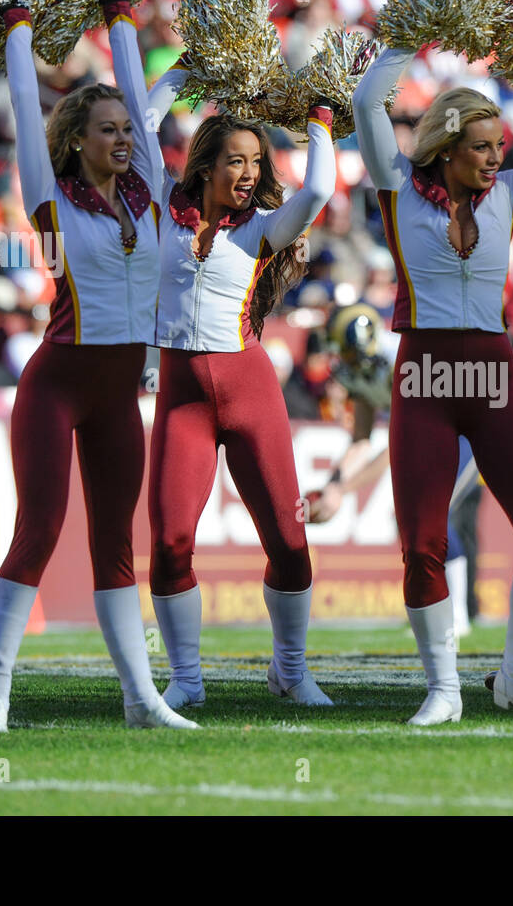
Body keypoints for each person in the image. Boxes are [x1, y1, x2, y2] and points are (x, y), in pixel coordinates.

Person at [352, 45, 513, 725]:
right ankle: (443, 688)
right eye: (482, 147)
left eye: (500, 146)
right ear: (445, 146)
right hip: (425, 373)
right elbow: (365, 103)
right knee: (423, 541)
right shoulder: (397, 187)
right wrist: (406, 35)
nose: (496, 158)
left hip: (493, 374)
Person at [0, 0, 195, 732]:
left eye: (130, 129)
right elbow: (30, 119)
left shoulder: (155, 193)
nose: (125, 138)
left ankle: (140, 698)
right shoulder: (49, 199)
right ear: (78, 141)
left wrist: (126, 20)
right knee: (37, 530)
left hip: (119, 397)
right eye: (109, 130)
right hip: (57, 386)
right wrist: (17, 30)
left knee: (115, 548)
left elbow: (141, 95)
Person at [142, 58, 337, 710]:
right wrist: (189, 67)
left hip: (250, 392)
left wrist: (321, 122)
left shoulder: (260, 228)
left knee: (288, 539)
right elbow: (142, 122)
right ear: (203, 168)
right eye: (236, 160)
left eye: (257, 161)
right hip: (182, 397)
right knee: (169, 539)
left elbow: (315, 196)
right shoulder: (162, 210)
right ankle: (188, 677)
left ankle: (290, 668)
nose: (250, 172)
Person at [305, 302, 481, 636]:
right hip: (429, 439)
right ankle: (435, 611)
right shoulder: (365, 368)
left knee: (434, 516)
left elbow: (394, 448)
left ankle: (458, 616)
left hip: (465, 432)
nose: (342, 360)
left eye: (346, 351)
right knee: (414, 521)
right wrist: (332, 484)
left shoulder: (403, 358)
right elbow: (361, 440)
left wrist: (342, 490)